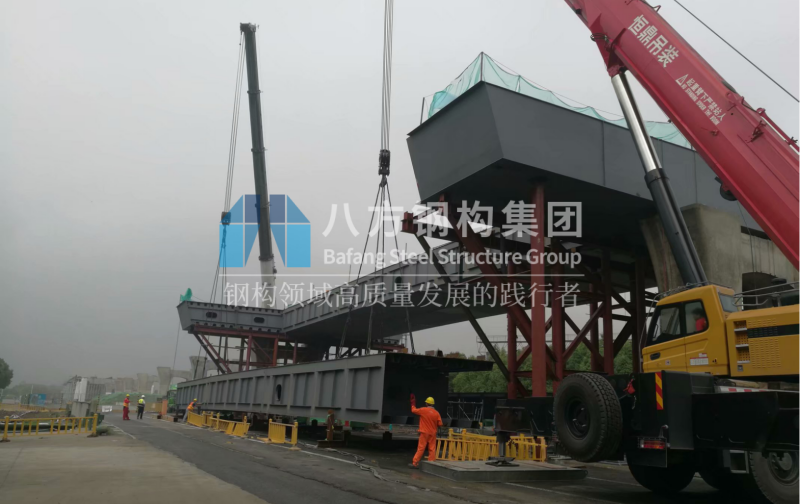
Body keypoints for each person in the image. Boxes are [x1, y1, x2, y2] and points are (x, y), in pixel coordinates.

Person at [408, 394, 442, 469]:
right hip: (433, 433)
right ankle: (431, 464)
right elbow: (440, 424)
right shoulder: (436, 413)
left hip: (424, 433)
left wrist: (413, 403)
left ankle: (415, 463)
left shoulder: (423, 410)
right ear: (433, 404)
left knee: (421, 448)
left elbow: (413, 410)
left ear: (426, 403)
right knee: (432, 449)